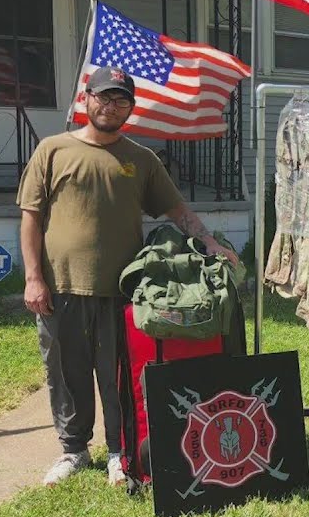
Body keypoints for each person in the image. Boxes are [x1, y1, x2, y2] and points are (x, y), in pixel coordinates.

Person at [17, 65, 238, 487]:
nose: (111, 105)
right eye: (104, 96)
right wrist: (33, 278)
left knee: (119, 372)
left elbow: (178, 211)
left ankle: (119, 452)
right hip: (60, 288)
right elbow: (30, 219)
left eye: (121, 100)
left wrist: (209, 242)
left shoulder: (141, 159)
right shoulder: (52, 150)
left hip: (122, 292)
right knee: (66, 371)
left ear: (130, 109)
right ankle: (74, 450)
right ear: (86, 99)